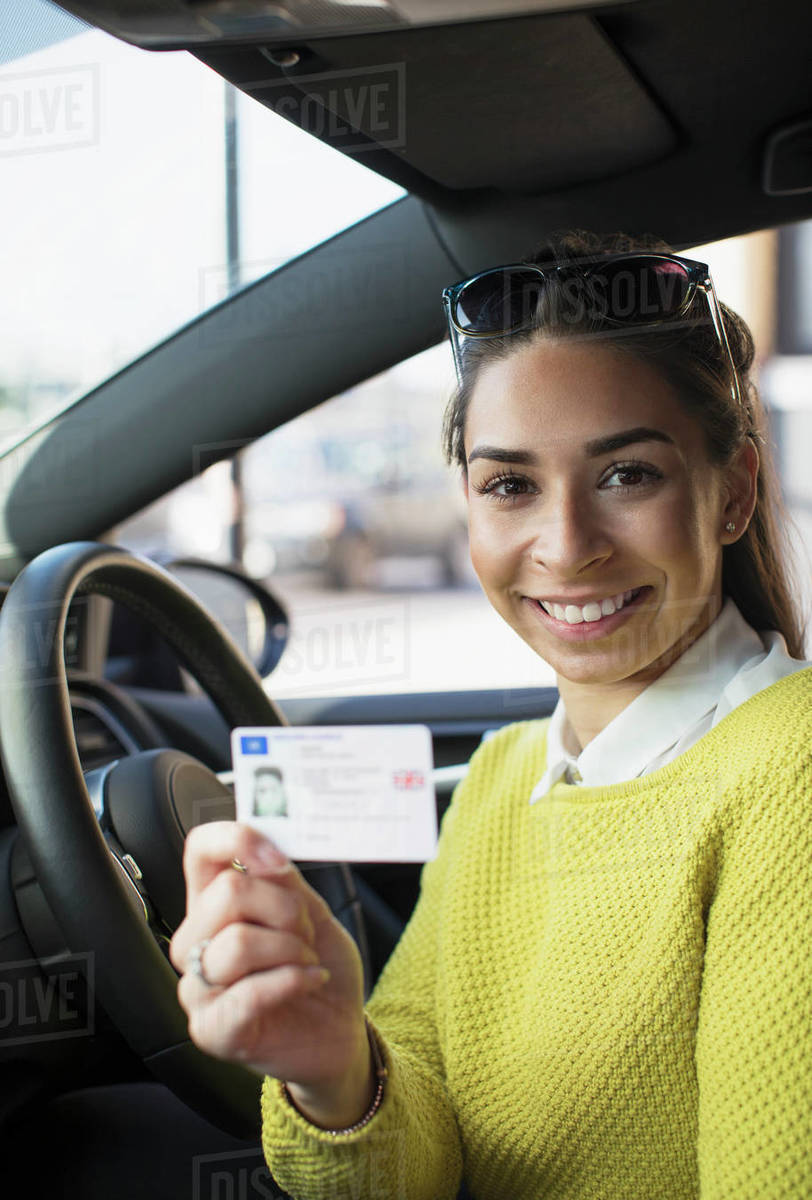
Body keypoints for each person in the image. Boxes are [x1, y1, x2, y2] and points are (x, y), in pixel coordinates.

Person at [169, 231, 812, 1200]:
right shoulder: (504, 775)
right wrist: (335, 1070)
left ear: (733, 492)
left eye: (627, 474)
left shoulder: (791, 766)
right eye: (510, 485)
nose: (566, 545)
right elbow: (413, 1168)